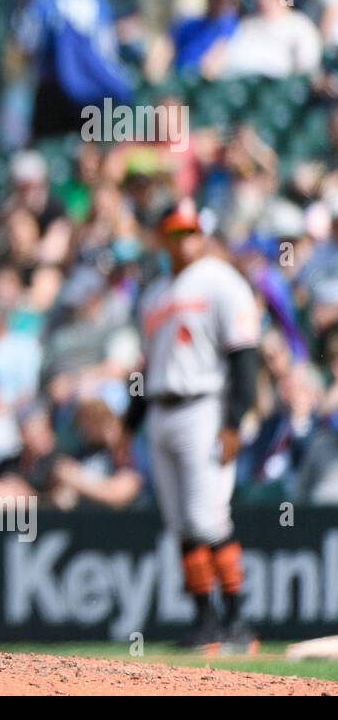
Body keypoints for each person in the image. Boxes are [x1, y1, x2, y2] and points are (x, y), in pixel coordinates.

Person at [122, 200, 260, 654]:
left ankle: (238, 619)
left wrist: (234, 420)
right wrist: (129, 425)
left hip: (205, 406)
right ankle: (206, 622)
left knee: (208, 517)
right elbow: (147, 368)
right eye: (175, 233)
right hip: (161, 408)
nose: (184, 241)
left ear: (201, 233)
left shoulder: (221, 281)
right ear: (162, 238)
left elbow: (243, 355)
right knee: (182, 524)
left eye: (190, 232)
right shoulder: (155, 294)